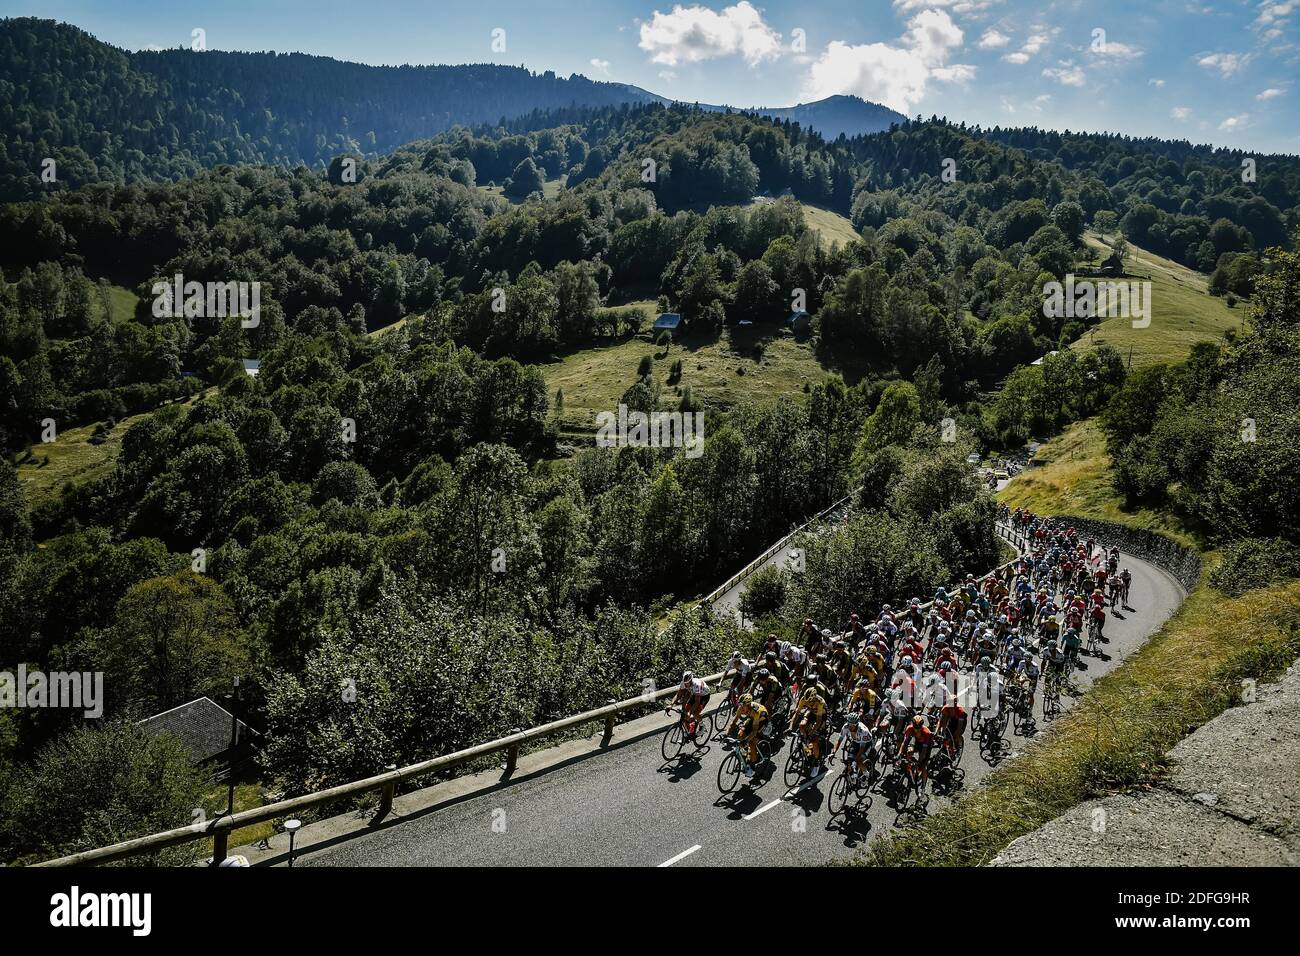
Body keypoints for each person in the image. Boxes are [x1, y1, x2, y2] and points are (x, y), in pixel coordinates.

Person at [726, 694, 768, 774]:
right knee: (740, 735)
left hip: (762, 719)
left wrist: (747, 740)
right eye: (740, 705)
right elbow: (734, 722)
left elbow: (755, 730)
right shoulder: (741, 708)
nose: (741, 707)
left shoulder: (755, 711)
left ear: (748, 705)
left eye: (743, 705)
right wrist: (727, 733)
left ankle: (753, 764)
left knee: (751, 743)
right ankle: (747, 753)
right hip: (752, 719)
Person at [790, 686, 828, 766]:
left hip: (821, 715)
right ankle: (807, 745)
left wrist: (811, 733)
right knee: (802, 725)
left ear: (814, 698)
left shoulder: (819, 701)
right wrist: (790, 727)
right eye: (807, 702)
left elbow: (818, 721)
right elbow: (796, 714)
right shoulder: (803, 699)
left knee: (814, 740)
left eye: (810, 702)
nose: (808, 703)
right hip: (811, 712)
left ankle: (817, 762)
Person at [898, 714, 934, 791]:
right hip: (916, 741)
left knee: (924, 765)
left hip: (926, 744)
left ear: (922, 726)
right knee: (909, 751)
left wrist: (920, 762)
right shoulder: (909, 728)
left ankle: (923, 788)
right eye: (915, 727)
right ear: (912, 724)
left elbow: (924, 751)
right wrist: (899, 754)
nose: (917, 729)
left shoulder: (926, 733)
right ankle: (912, 765)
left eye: (919, 728)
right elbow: (905, 742)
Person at [833, 712, 875, 778]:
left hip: (866, 744)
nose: (850, 726)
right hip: (856, 742)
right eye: (849, 724)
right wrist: (833, 752)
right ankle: (852, 777)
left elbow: (861, 749)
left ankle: (866, 774)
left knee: (858, 761)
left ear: (856, 724)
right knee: (850, 761)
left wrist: (855, 760)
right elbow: (839, 740)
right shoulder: (846, 726)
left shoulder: (863, 731)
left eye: (852, 725)